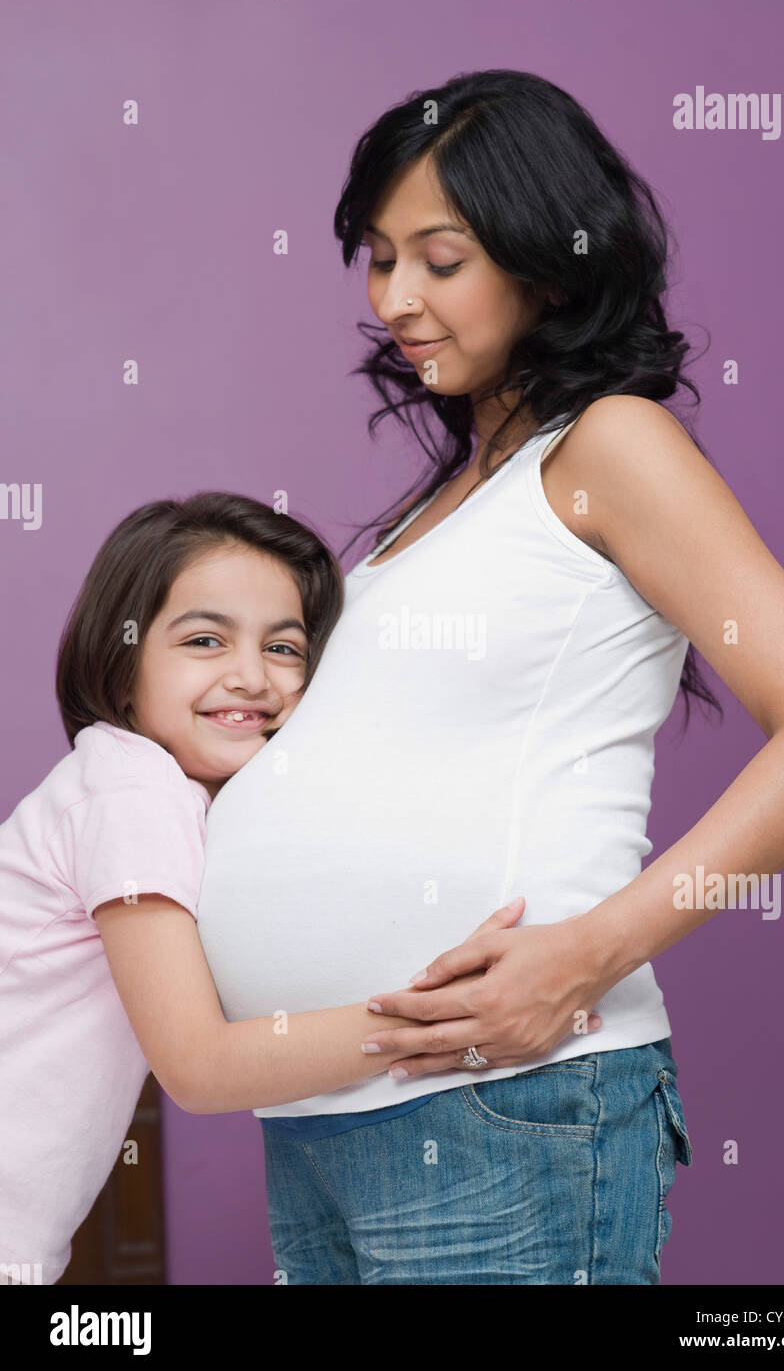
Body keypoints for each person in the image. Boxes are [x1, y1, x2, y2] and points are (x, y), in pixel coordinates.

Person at [194, 70, 784, 1285]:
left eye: (438, 260)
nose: (395, 297)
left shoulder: (612, 444)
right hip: (322, 1118)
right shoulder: (429, 512)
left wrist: (591, 951)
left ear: (547, 263)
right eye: (378, 256)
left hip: (506, 1103)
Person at [0, 489, 511, 1286]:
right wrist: (441, 1024)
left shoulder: (168, 793)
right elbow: (200, 1065)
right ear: (121, 661)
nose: (252, 678)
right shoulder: (134, 792)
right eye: (204, 639)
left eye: (285, 649)